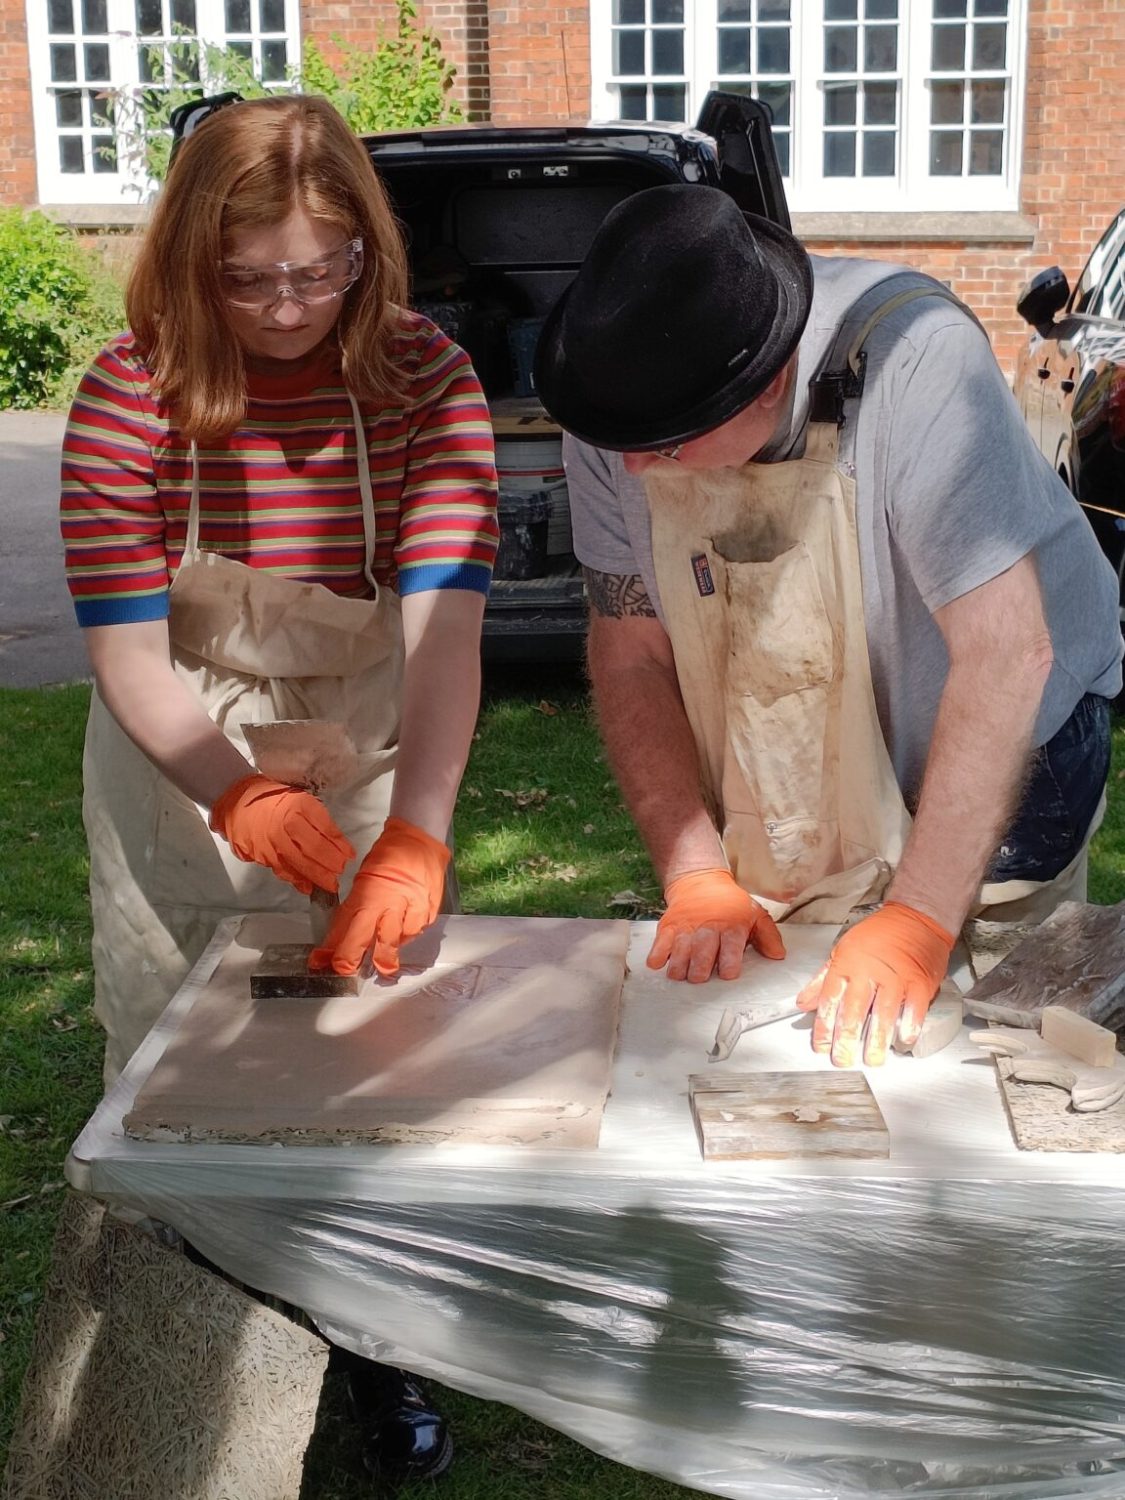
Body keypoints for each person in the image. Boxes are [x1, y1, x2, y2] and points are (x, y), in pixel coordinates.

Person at [60, 92, 498, 1484]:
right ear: (191, 259)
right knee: (180, 1050)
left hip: (370, 728)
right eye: (248, 281)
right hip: (179, 741)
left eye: (321, 271)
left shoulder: (428, 380)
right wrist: (229, 789)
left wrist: (418, 831)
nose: (290, 308)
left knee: (369, 1045)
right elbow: (129, 655)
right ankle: (197, 1333)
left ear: (368, 248)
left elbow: (445, 632)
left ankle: (378, 1344)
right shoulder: (128, 394)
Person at [534, 184, 1123, 1071]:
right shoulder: (617, 404)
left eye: (668, 445)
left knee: (986, 1055)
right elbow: (632, 649)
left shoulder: (917, 363)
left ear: (769, 381)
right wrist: (693, 868)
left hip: (1011, 747)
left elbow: (1007, 655)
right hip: (805, 756)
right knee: (794, 1053)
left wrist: (919, 918)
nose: (632, 469)